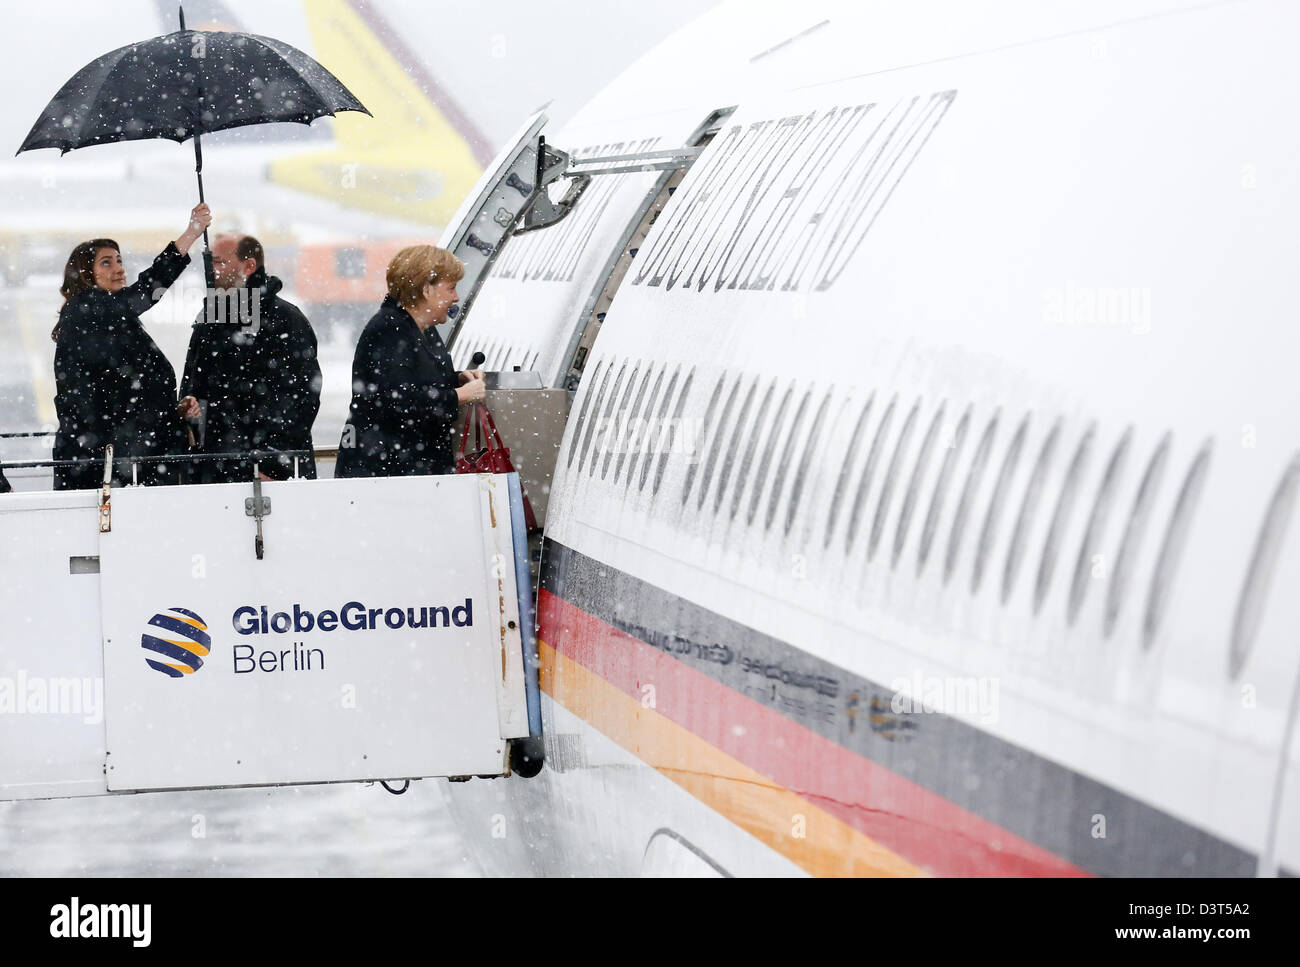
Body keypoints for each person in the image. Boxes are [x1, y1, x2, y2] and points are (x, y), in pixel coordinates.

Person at [51, 205, 212, 490]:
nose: (119, 268)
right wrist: (190, 235)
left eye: (119, 260)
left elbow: (127, 391)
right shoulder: (86, 311)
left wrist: (171, 411)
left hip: (127, 461)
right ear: (85, 274)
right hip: (109, 467)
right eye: (106, 263)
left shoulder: (110, 317)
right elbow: (145, 293)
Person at [179, 234, 322, 483]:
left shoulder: (286, 319)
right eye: (210, 263)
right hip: (215, 472)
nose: (211, 271)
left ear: (249, 266)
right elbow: (192, 384)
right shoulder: (209, 318)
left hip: (273, 478)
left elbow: (303, 397)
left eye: (220, 262)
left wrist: (274, 463)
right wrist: (188, 407)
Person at [335, 245, 485, 478]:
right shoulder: (389, 331)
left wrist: (457, 380)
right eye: (451, 288)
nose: (456, 297)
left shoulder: (420, 328)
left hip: (406, 467)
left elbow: (414, 383)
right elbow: (400, 400)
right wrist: (460, 395)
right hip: (385, 471)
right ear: (427, 289)